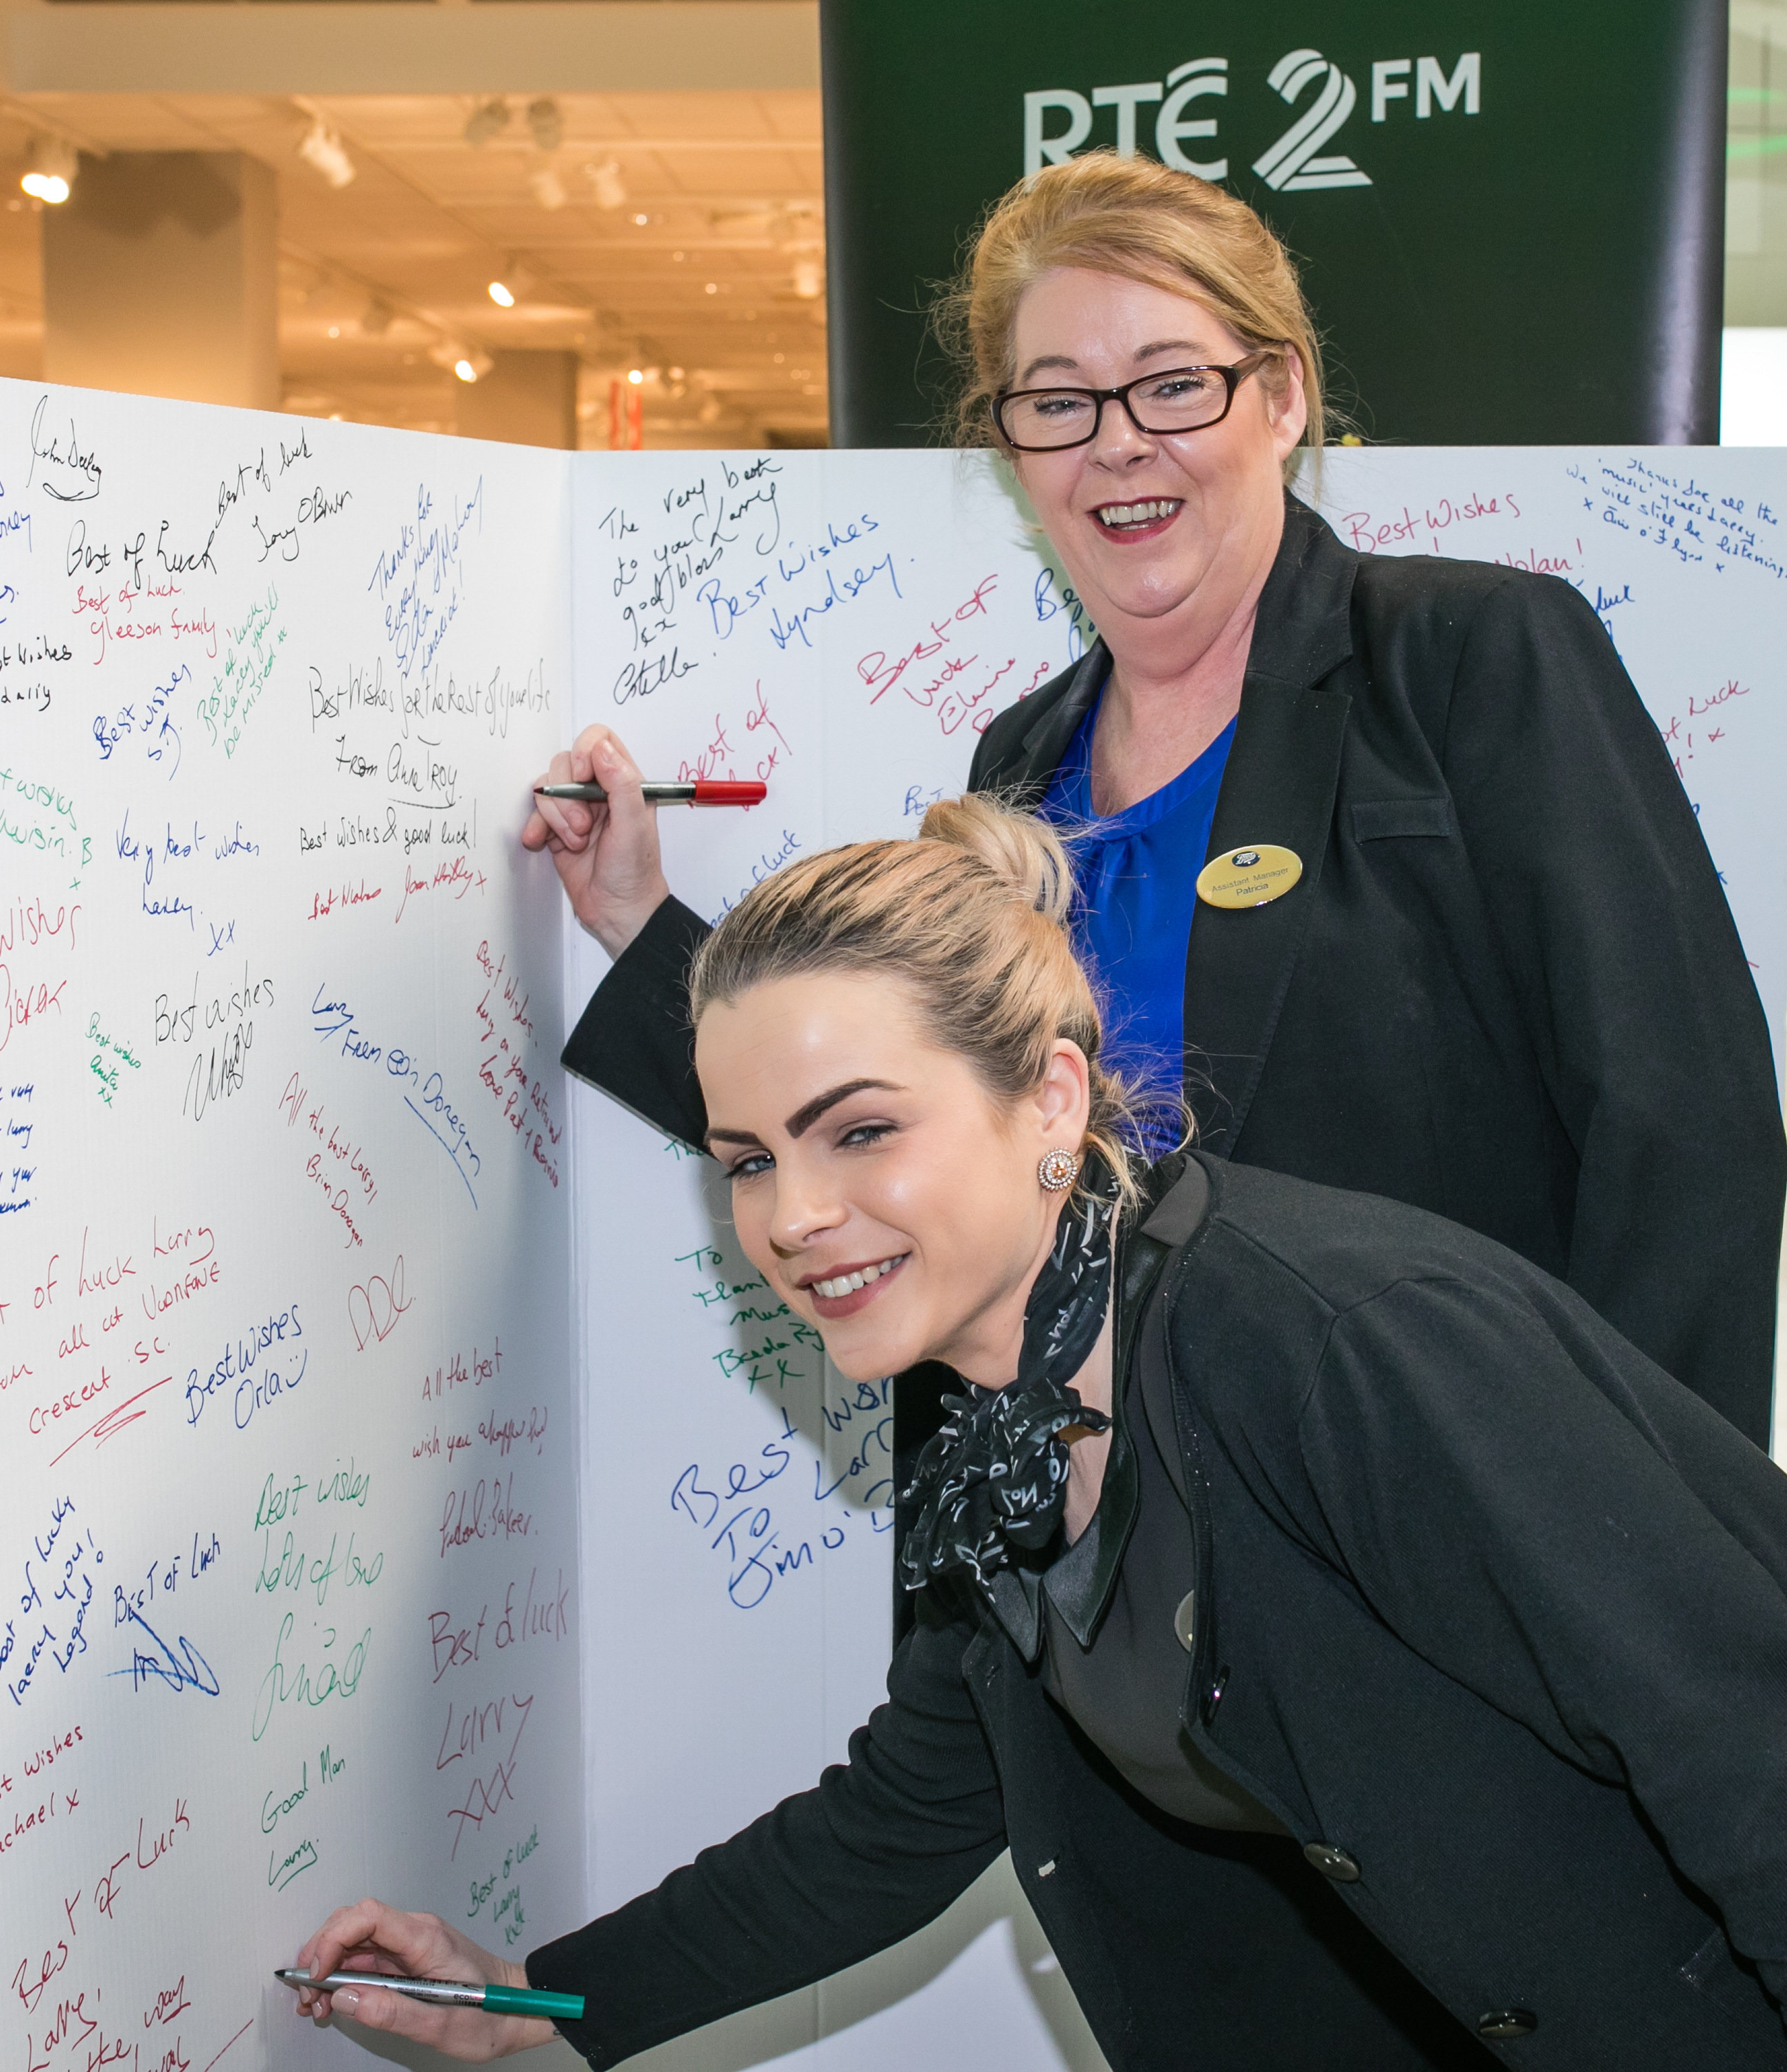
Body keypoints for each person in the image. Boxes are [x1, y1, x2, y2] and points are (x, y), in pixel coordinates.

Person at [293, 802, 1787, 2071]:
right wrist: (540, 2005)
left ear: (1050, 1102)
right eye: (749, 1161)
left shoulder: (1339, 1344)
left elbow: (1748, 1752)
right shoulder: (996, 1413)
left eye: (861, 1131)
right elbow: (910, 1813)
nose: (795, 1219)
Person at [527, 151, 1783, 1461]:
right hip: (1102, 1563)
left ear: (1282, 394)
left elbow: (1689, 1136)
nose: (1118, 442)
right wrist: (634, 919)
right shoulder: (1021, 758)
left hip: (1424, 1537)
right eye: (1057, 402)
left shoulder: (1470, 662)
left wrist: (1638, 1554)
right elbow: (909, 1124)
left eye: (1175, 383)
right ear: (1011, 444)